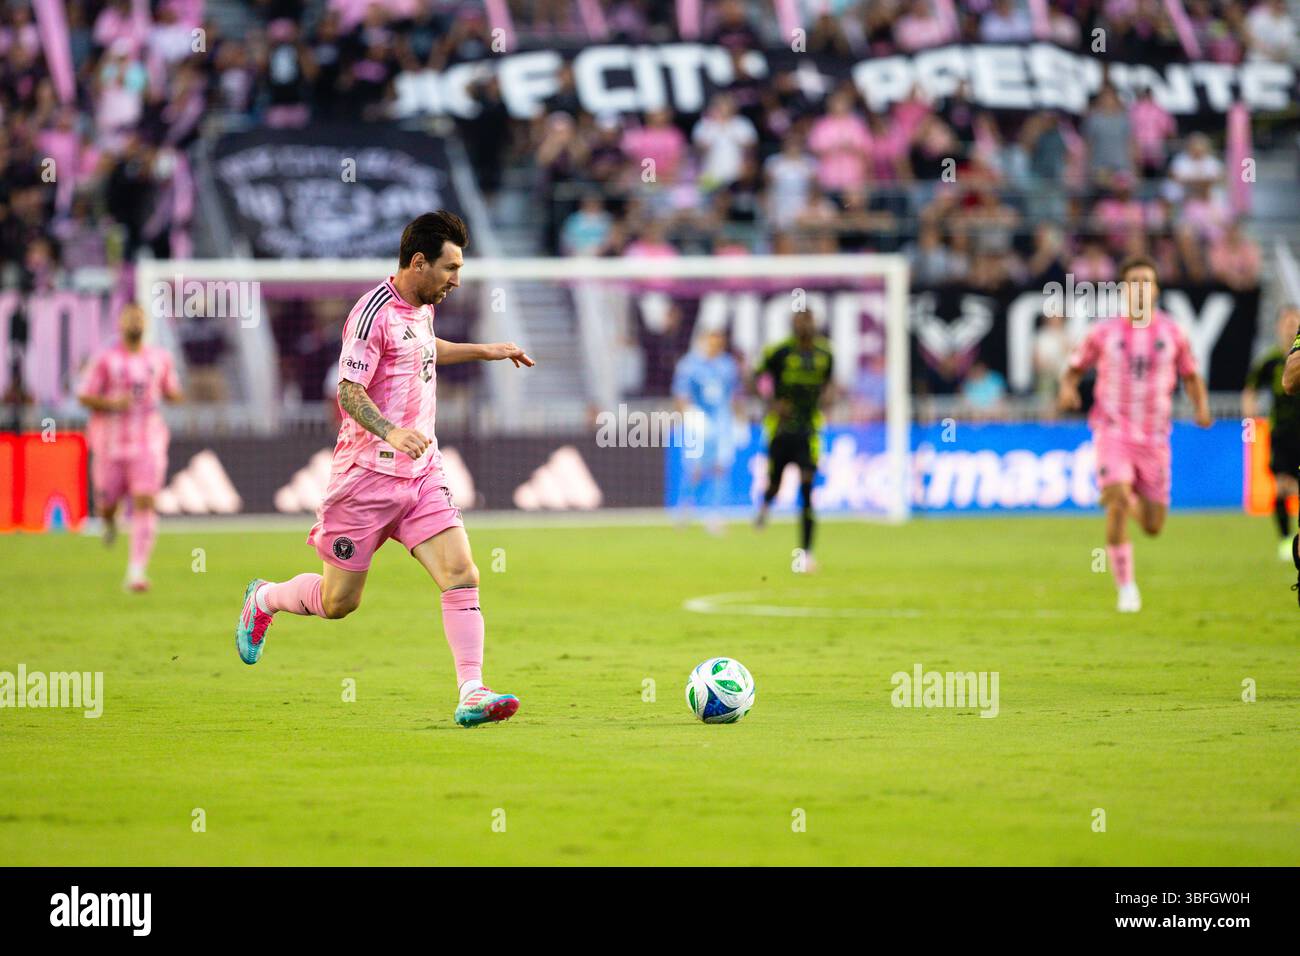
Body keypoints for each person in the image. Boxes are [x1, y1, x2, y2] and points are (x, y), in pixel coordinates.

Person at [234, 211, 535, 728]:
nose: (456, 280)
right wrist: (391, 431)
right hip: (364, 481)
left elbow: (423, 351)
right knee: (338, 602)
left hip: (421, 474)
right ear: (419, 262)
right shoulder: (370, 313)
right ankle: (264, 597)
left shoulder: (422, 306)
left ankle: (471, 691)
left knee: (462, 573)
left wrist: (485, 351)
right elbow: (348, 390)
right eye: (450, 268)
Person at [1058, 255, 1212, 613]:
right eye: (1134, 282)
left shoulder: (1173, 332)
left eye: (1147, 281)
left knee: (1154, 526)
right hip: (1112, 430)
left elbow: (1190, 376)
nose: (1140, 287)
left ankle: (1123, 495)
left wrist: (1201, 407)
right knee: (1115, 499)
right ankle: (1126, 587)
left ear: (1156, 288)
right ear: (1124, 289)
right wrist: (1067, 388)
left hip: (1155, 438)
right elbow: (1073, 367)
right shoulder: (1104, 332)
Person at [77, 302, 184, 592]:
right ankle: (109, 522)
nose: (135, 321)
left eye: (139, 316)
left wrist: (176, 395)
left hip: (148, 442)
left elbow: (171, 391)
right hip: (110, 445)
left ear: (145, 323)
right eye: (129, 317)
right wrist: (112, 403)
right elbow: (84, 396)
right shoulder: (105, 359)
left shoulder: (160, 358)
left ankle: (136, 571)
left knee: (145, 501)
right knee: (107, 504)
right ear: (120, 323)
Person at [753, 309, 835, 572]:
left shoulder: (825, 354)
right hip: (781, 429)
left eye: (808, 321)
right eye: (799, 321)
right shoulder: (779, 352)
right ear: (792, 325)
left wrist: (828, 398)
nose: (804, 326)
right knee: (776, 484)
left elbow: (829, 384)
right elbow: (754, 377)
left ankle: (806, 554)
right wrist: (771, 402)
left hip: (809, 430)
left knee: (807, 488)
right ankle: (766, 504)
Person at [1242, 306, 1300, 559]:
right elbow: (1251, 389)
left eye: (1294, 322)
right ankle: (1286, 540)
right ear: (1279, 327)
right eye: (1287, 322)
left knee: (1289, 486)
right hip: (1281, 433)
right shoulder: (1271, 360)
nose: (1290, 326)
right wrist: (1250, 418)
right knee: (1281, 486)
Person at [672, 328, 741, 534]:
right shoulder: (689, 365)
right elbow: (681, 395)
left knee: (721, 467)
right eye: (711, 340)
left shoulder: (728, 365)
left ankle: (715, 515)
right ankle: (684, 509)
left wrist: (739, 420)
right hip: (698, 420)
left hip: (722, 422)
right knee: (695, 469)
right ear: (703, 341)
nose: (715, 345)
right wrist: (687, 418)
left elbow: (733, 395)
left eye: (718, 341)